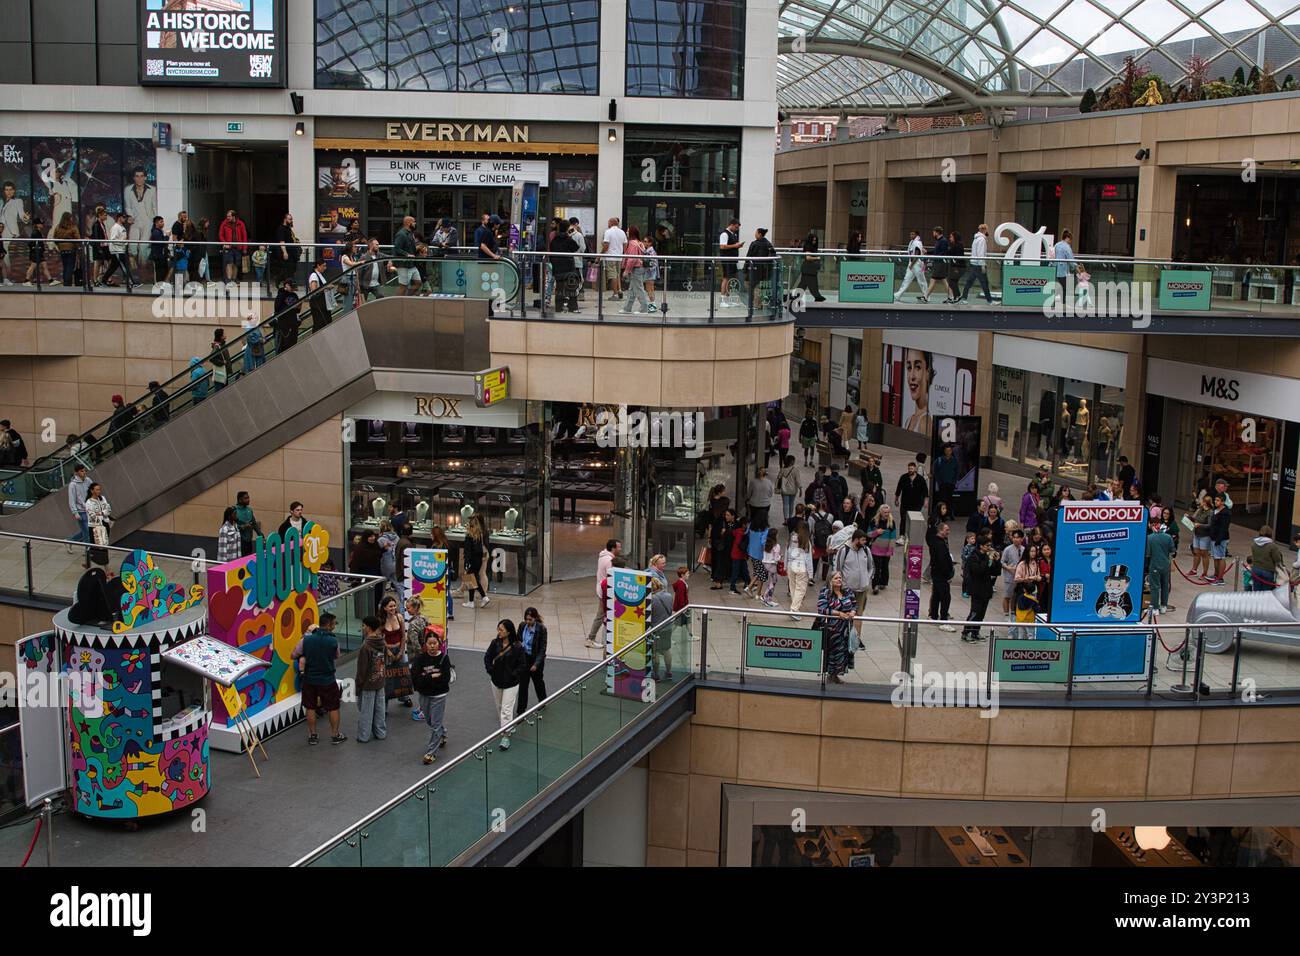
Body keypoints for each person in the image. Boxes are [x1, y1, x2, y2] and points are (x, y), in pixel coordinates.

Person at [298, 612, 346, 745]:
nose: (335, 626)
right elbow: (337, 655)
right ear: (329, 625)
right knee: (333, 707)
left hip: (309, 679)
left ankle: (313, 735)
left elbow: (294, 653)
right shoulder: (333, 640)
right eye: (334, 623)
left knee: (310, 706)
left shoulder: (306, 639)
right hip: (327, 679)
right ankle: (335, 735)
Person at [410, 628, 452, 764]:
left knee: (435, 724)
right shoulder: (420, 659)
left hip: (439, 696)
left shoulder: (444, 658)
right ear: (425, 645)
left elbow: (445, 679)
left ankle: (431, 753)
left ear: (439, 643)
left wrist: (426, 677)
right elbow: (416, 677)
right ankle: (443, 733)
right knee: (429, 720)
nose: (432, 646)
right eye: (429, 644)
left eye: (434, 643)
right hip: (424, 695)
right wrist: (432, 676)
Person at [484, 620, 527, 750]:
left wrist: (514, 674)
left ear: (509, 631)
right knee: (499, 707)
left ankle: (505, 736)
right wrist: (490, 670)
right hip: (496, 681)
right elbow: (487, 657)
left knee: (506, 710)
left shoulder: (518, 647)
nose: (499, 632)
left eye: (501, 629)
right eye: (498, 629)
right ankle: (508, 726)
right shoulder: (495, 643)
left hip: (511, 683)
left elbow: (522, 665)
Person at [819, 571, 857, 683]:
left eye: (840, 578)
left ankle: (835, 675)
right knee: (832, 652)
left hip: (845, 629)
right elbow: (822, 609)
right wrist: (839, 613)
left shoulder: (847, 591)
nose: (839, 580)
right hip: (832, 629)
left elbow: (854, 604)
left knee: (843, 652)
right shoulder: (825, 592)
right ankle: (831, 674)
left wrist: (853, 612)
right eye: (836, 578)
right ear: (830, 580)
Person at [962, 533, 1000, 642]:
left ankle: (975, 632)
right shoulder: (973, 557)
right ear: (981, 546)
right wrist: (987, 560)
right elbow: (978, 571)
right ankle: (965, 632)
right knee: (975, 612)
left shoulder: (987, 557)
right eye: (987, 546)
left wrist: (996, 561)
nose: (989, 548)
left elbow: (996, 572)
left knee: (981, 614)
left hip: (986, 589)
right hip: (976, 589)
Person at [355, 615, 388, 743]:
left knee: (366, 711)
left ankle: (363, 735)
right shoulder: (382, 642)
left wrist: (358, 686)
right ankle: (380, 732)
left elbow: (362, 669)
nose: (362, 628)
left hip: (368, 684)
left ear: (368, 627)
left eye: (363, 625)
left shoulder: (365, 646)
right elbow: (385, 661)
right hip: (380, 680)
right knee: (380, 710)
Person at [513, 606, 549, 714]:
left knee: (538, 682)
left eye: (530, 619)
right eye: (526, 619)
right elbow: (517, 639)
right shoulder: (522, 625)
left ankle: (542, 701)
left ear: (535, 618)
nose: (528, 622)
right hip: (524, 659)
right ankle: (520, 711)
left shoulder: (541, 629)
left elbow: (542, 648)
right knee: (523, 685)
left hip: (535, 660)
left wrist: (536, 664)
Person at [585, 538, 621, 644]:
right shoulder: (609, 560)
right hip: (604, 590)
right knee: (601, 614)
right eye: (619, 547)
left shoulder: (603, 556)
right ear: (613, 548)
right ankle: (591, 637)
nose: (620, 549)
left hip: (601, 588)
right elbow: (611, 576)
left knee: (602, 614)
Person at [927, 522, 956, 631]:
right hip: (941, 575)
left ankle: (934, 616)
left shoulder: (936, 541)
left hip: (937, 573)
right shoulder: (939, 544)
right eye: (946, 530)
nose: (948, 532)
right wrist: (948, 574)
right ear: (940, 530)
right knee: (945, 596)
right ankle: (943, 620)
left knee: (937, 595)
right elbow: (942, 560)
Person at [894, 459, 929, 542]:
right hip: (905, 503)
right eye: (909, 469)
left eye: (912, 469)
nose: (910, 470)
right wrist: (896, 499)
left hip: (916, 504)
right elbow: (899, 489)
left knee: (914, 520)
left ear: (915, 469)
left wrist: (926, 501)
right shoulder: (903, 477)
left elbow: (925, 491)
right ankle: (902, 536)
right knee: (903, 519)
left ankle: (911, 536)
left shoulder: (921, 479)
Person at [1144, 519, 1175, 613]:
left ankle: (1155, 607)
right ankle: (1164, 606)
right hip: (1166, 564)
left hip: (1155, 565)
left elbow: (1148, 554)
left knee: (1155, 586)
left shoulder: (1150, 538)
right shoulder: (1168, 537)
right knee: (1165, 585)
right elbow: (1172, 550)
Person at [744, 226, 775, 312]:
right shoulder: (768, 243)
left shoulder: (754, 244)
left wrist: (745, 268)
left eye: (756, 233)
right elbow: (773, 254)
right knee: (759, 287)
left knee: (750, 285)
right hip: (764, 269)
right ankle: (758, 304)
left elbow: (748, 256)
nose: (755, 234)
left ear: (760, 234)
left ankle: (755, 304)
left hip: (753, 268)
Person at [100, 211, 134, 290]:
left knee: (113, 267)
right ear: (119, 218)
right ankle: (131, 282)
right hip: (117, 251)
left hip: (121, 250)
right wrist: (123, 241)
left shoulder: (122, 227)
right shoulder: (116, 227)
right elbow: (113, 240)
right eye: (124, 217)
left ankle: (103, 280)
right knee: (124, 266)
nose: (125, 219)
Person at [620, 225, 651, 313]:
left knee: (639, 288)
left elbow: (632, 259)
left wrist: (626, 271)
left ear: (631, 233)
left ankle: (644, 308)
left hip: (636, 269)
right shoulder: (639, 242)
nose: (626, 232)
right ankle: (627, 308)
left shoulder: (632, 244)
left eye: (628, 231)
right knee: (632, 289)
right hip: (640, 267)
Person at [867, 505, 897, 593]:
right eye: (885, 512)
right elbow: (868, 534)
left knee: (884, 567)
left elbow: (893, 538)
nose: (886, 514)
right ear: (880, 512)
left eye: (888, 512)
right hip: (875, 549)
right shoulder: (874, 521)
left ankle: (883, 582)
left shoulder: (891, 522)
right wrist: (876, 532)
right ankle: (875, 585)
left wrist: (890, 550)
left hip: (886, 549)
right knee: (876, 567)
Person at [786, 524, 813, 619]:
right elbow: (808, 559)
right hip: (801, 567)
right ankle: (794, 609)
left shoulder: (791, 539)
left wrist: (786, 566)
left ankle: (795, 609)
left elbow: (787, 552)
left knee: (793, 588)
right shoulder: (806, 541)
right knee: (800, 589)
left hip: (791, 566)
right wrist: (810, 573)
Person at [1248, 524, 1286, 592]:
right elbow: (1277, 559)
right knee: (1266, 592)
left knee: (1256, 591)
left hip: (1256, 569)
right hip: (1268, 571)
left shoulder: (1254, 544)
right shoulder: (1272, 546)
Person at [894, 229, 928, 302]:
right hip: (912, 263)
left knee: (921, 281)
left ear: (916, 235)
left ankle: (926, 296)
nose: (911, 235)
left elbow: (917, 254)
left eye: (913, 234)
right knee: (906, 279)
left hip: (916, 263)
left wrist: (912, 264)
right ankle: (898, 295)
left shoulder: (917, 242)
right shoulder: (913, 242)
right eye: (910, 234)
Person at [391, 214, 421, 295]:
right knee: (403, 286)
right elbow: (396, 248)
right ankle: (397, 302)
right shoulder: (401, 234)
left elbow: (410, 248)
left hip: (411, 264)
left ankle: (407, 297)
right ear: (408, 223)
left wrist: (418, 249)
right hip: (403, 264)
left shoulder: (410, 233)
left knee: (418, 283)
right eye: (414, 222)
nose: (415, 224)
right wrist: (407, 254)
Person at [65, 463, 92, 552]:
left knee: (86, 530)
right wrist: (75, 512)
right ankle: (88, 551)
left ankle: (70, 541)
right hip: (80, 511)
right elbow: (71, 499)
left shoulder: (88, 481)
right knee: (87, 531)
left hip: (89, 510)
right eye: (81, 471)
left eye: (84, 471)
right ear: (76, 473)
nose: (84, 473)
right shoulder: (73, 485)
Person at [218, 209, 249, 281]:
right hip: (228, 247)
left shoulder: (241, 224)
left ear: (233, 216)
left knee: (236, 264)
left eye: (229, 216)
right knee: (229, 263)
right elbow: (220, 235)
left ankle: (234, 279)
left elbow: (244, 236)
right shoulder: (224, 223)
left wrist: (245, 248)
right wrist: (225, 243)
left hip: (238, 247)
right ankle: (229, 280)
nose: (227, 218)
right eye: (227, 216)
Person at [1001, 528, 1025, 617]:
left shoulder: (1024, 549)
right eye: (1014, 537)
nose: (1016, 539)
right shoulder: (1007, 549)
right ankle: (1006, 615)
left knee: (1015, 596)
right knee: (1007, 595)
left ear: (1022, 539)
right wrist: (1009, 568)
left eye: (1018, 537)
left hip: (1019, 577)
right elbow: (1002, 562)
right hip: (1009, 576)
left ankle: (1013, 613)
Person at [272, 212, 301, 286]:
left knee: (292, 268)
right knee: (289, 269)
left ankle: (285, 282)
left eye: (291, 219)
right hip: (288, 252)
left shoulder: (288, 228)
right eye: (290, 219)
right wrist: (285, 252)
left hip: (292, 251)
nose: (291, 221)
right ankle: (280, 280)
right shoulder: (281, 229)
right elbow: (282, 241)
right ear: (285, 219)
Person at [601, 216, 627, 299]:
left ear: (611, 223)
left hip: (610, 257)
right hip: (619, 257)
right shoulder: (622, 232)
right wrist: (622, 252)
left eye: (608, 222)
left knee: (612, 276)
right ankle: (619, 290)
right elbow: (625, 244)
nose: (608, 224)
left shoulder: (608, 232)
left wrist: (601, 254)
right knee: (617, 274)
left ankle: (615, 294)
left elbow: (606, 245)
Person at [1207, 494, 1230, 585]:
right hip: (1213, 537)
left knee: (1221, 557)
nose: (1216, 502)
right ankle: (1216, 575)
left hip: (1221, 538)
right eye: (1215, 500)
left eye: (1218, 500)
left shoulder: (1225, 513)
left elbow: (1224, 527)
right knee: (1215, 557)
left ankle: (1220, 578)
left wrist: (1219, 539)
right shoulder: (1215, 510)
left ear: (1223, 502)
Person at [274, 279, 302, 353]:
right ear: (286, 285)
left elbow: (298, 310)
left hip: (292, 324)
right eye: (291, 287)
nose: (293, 289)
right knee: (283, 345)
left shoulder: (294, 295)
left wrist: (298, 306)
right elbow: (277, 308)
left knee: (292, 344)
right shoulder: (280, 295)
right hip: (283, 325)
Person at [53, 212, 80, 287]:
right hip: (71, 249)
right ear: (69, 218)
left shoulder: (58, 227)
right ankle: (68, 284)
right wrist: (78, 248)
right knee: (70, 268)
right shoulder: (73, 227)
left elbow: (55, 238)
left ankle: (65, 284)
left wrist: (59, 246)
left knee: (65, 267)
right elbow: (78, 239)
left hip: (62, 250)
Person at [798, 230, 826, 302]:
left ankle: (792, 296)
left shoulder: (812, 247)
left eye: (815, 240)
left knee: (803, 285)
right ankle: (817, 296)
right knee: (812, 285)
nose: (814, 242)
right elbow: (808, 257)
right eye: (813, 240)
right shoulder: (808, 246)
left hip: (810, 270)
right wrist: (817, 258)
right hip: (808, 270)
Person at [233, 490, 262, 557]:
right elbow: (231, 527)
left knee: (248, 560)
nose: (248, 500)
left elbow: (254, 523)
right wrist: (242, 526)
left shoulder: (249, 510)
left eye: (248, 497)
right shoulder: (234, 511)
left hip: (249, 541)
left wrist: (260, 535)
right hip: (238, 542)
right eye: (246, 498)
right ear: (240, 500)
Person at [925, 225, 949, 301]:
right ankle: (951, 297)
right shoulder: (939, 241)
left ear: (937, 232)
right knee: (944, 281)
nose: (933, 234)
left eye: (934, 232)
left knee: (933, 280)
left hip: (940, 263)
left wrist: (935, 256)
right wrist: (927, 252)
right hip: (938, 262)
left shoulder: (943, 241)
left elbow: (943, 252)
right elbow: (936, 251)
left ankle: (926, 297)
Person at [747, 466, 774, 531]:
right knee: (764, 519)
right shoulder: (769, 482)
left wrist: (748, 499)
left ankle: (753, 530)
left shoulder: (752, 482)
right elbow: (771, 494)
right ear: (765, 474)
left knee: (753, 518)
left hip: (754, 504)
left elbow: (749, 494)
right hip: (765, 504)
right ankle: (763, 531)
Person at [775, 455, 800, 523]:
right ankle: (790, 517)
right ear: (791, 462)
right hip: (793, 490)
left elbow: (778, 479)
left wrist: (776, 488)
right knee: (791, 504)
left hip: (784, 490)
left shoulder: (782, 469)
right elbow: (798, 481)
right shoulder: (795, 470)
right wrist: (800, 489)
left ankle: (786, 519)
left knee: (785, 505)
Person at [1053, 229, 1075, 300]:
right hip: (1063, 271)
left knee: (1058, 287)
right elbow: (1071, 259)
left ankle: (1057, 302)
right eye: (1070, 240)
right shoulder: (1067, 247)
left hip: (1055, 269)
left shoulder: (1057, 245)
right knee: (1065, 288)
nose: (1070, 242)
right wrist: (1076, 266)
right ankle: (1063, 303)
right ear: (1068, 238)